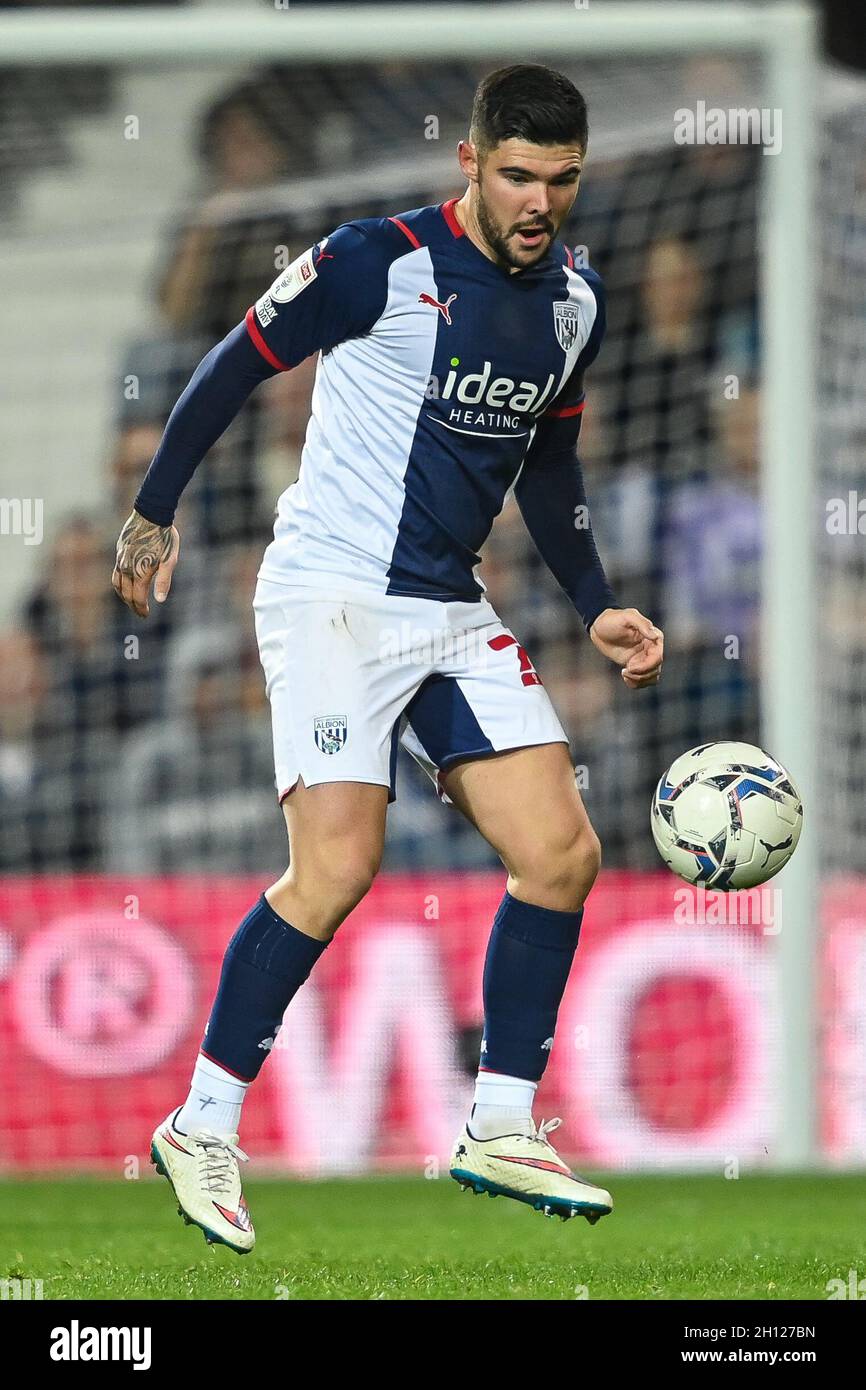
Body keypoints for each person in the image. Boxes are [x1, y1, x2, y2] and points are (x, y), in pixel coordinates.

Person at [112, 64, 663, 1253]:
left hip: (447, 606)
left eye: (560, 180)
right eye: (516, 174)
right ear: (469, 162)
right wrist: (153, 510)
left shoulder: (575, 300)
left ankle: (500, 1121)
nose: (538, 201)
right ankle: (202, 1121)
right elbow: (234, 362)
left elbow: (551, 469)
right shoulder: (376, 257)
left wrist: (595, 603)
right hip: (329, 596)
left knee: (562, 851)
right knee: (339, 865)